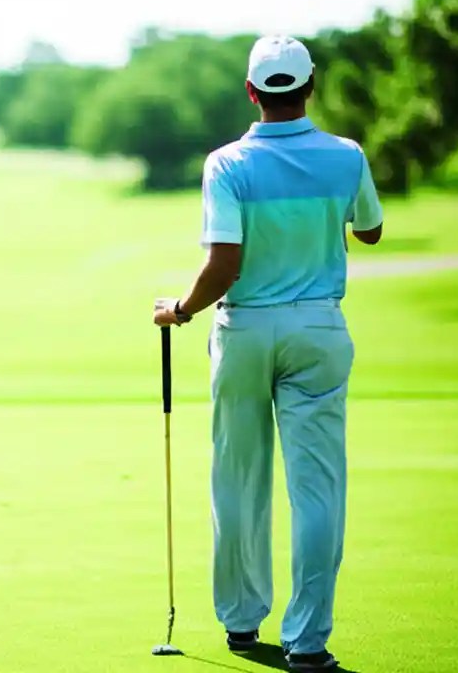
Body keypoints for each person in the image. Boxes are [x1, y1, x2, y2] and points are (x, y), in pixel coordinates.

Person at [152, 35, 384, 672]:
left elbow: (223, 263)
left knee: (239, 477)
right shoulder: (348, 155)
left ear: (252, 92)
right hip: (318, 331)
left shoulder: (226, 163)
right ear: (311, 87)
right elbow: (370, 228)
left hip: (245, 329)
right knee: (317, 491)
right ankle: (308, 642)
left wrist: (180, 310)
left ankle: (242, 623)